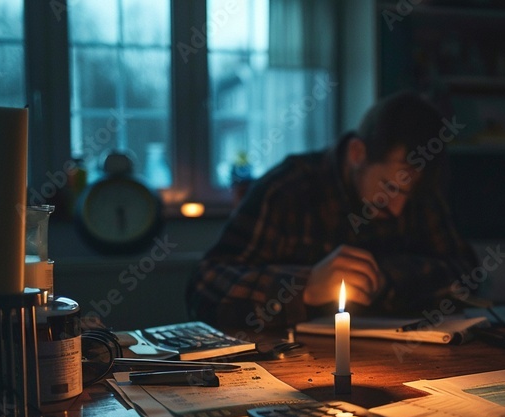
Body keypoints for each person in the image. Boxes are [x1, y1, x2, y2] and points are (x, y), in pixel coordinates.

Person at [186, 90, 479, 330]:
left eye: (409, 194)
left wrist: (385, 278)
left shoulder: (418, 192)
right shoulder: (289, 189)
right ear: (357, 154)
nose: (398, 208)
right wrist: (303, 286)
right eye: (390, 187)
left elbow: (467, 272)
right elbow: (203, 285)